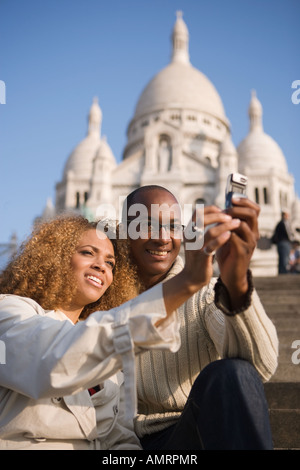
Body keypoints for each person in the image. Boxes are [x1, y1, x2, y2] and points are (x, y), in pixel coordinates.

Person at [0, 214, 219, 450]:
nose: (100, 266)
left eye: (110, 263)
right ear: (55, 257)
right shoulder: (9, 312)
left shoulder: (112, 363)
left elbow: (119, 439)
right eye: (87, 252)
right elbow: (55, 361)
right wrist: (183, 284)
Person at [121, 185, 279, 450]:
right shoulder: (101, 295)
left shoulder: (205, 294)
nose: (163, 238)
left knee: (231, 371)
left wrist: (236, 283)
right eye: (146, 225)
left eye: (172, 226)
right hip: (116, 442)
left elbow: (260, 366)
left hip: (190, 435)